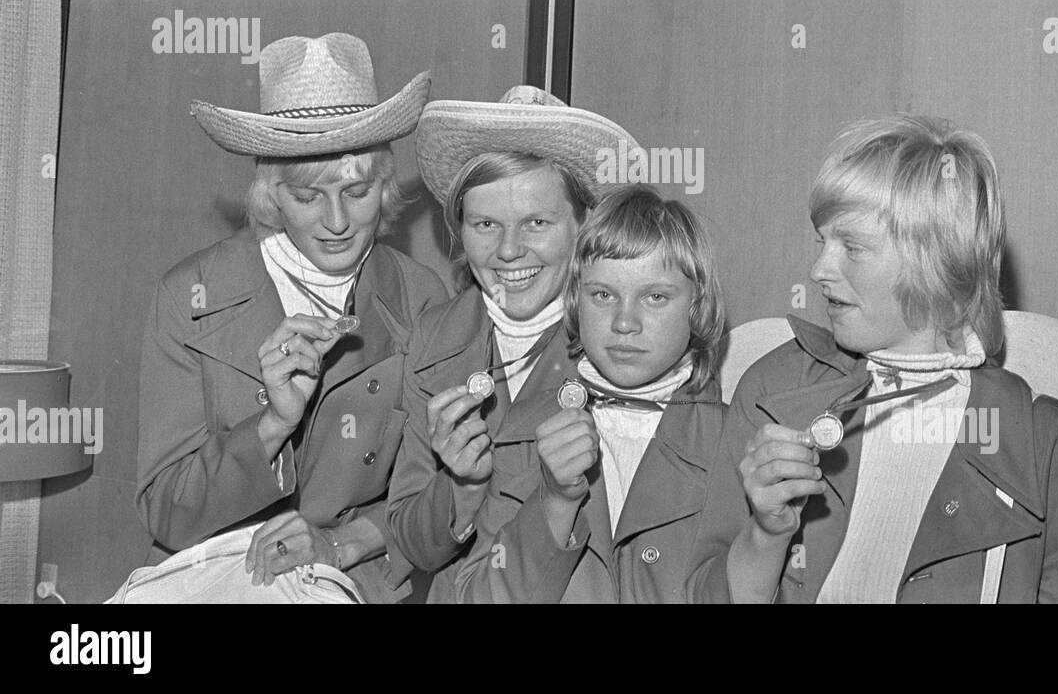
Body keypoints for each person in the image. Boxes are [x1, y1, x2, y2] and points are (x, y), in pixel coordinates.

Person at [686, 115, 1058, 603]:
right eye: (823, 242)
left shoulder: (1049, 449)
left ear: (936, 263)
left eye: (852, 247)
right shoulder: (774, 393)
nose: (819, 269)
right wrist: (766, 535)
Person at [136, 33, 445, 603]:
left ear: (384, 187)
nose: (336, 222)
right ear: (271, 194)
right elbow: (166, 515)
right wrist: (272, 426)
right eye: (308, 196)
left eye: (356, 191)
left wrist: (336, 544)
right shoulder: (190, 296)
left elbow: (434, 500)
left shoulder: (422, 299)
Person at [385, 86, 640, 600]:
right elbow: (411, 545)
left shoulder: (627, 338)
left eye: (537, 223)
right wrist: (460, 486)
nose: (508, 251)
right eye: (485, 225)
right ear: (457, 228)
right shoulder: (435, 335)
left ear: (583, 225)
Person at [453, 185, 727, 602]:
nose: (624, 322)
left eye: (655, 297)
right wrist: (555, 502)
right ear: (575, 302)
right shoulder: (526, 427)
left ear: (698, 306)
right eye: (603, 295)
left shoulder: (732, 441)